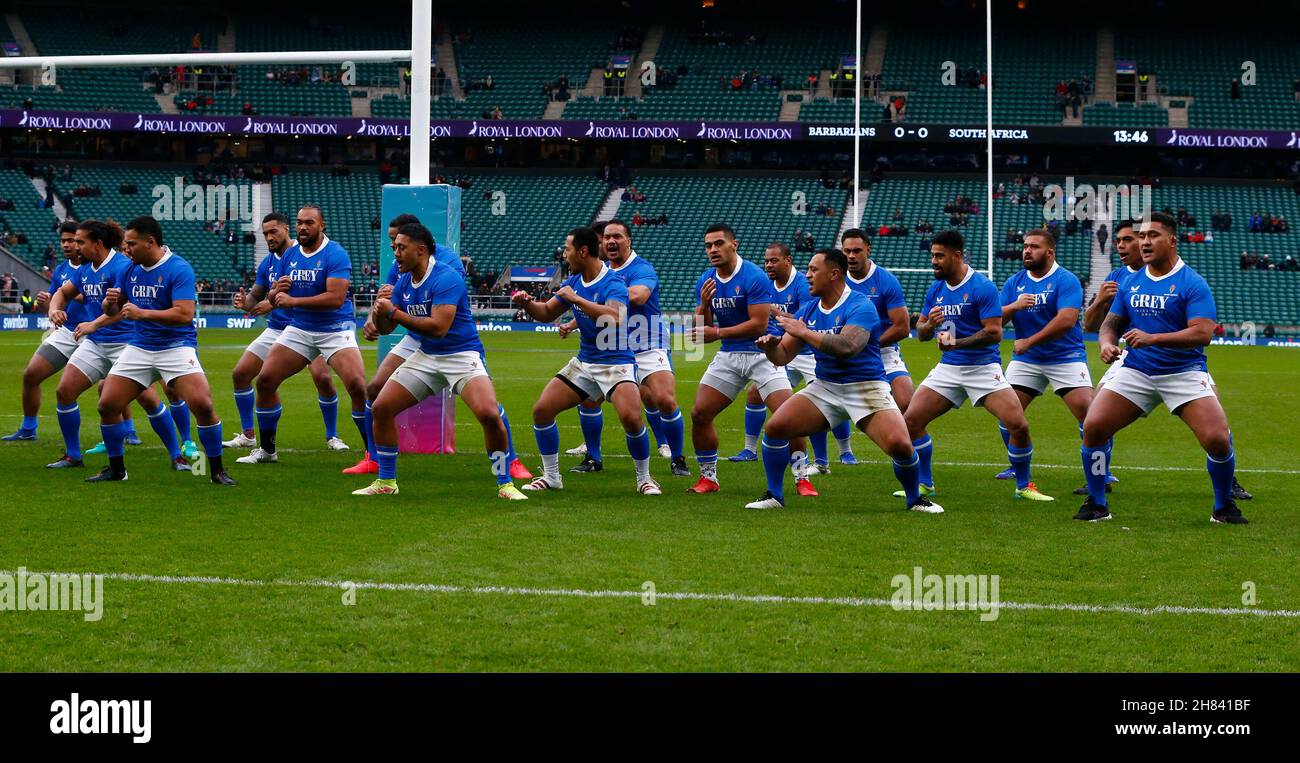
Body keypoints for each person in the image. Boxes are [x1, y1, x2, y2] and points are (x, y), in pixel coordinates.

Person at [1078, 212, 1246, 524]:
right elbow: (1109, 324)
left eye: (1152, 235)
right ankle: (1097, 502)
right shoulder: (1131, 281)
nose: (1144, 242)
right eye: (1141, 236)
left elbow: (1202, 333)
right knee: (1094, 427)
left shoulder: (1192, 283)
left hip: (1183, 371)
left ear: (1172, 240)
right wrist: (1106, 344)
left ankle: (1223, 507)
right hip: (1137, 370)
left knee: (1218, 439)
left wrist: (1154, 337)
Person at [749, 249, 941, 513]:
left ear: (834, 274)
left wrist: (805, 332)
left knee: (900, 445)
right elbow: (782, 356)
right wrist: (770, 347)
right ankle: (774, 495)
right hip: (825, 386)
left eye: (814, 270)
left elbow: (849, 345)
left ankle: (915, 499)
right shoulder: (810, 309)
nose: (807, 275)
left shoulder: (861, 305)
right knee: (775, 428)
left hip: (866, 385)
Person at [348, 214, 530, 479]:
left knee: (487, 409)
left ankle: (509, 464)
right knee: (376, 392)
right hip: (421, 340)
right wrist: (376, 315)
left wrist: (394, 313)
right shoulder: (402, 270)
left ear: (418, 244)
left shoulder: (447, 267)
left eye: (398, 244)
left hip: (453, 341)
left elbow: (438, 323)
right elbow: (388, 306)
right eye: (392, 244)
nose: (393, 250)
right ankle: (377, 462)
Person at [902, 230, 1054, 503]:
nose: (933, 261)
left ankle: (1023, 485)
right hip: (948, 368)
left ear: (957, 256)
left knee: (1017, 425)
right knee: (911, 421)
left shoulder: (982, 287)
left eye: (939, 255)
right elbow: (921, 333)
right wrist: (929, 325)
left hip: (983, 368)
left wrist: (956, 343)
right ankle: (925, 483)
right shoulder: (935, 289)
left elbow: (994, 332)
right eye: (932, 255)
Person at [85, 216, 235, 485]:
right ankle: (117, 470)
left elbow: (184, 314)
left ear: (150, 242)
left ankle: (216, 471)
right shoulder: (130, 269)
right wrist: (109, 305)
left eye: (131, 244)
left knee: (202, 405)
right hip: (140, 347)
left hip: (176, 347)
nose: (126, 249)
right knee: (107, 405)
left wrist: (142, 313)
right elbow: (116, 309)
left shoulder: (179, 269)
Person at [511, 227, 661, 495]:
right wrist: (527, 304)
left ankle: (644, 479)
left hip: (616, 362)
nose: (564, 254)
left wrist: (575, 298)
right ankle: (551, 476)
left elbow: (615, 316)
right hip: (585, 362)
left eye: (567, 249)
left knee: (631, 419)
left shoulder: (612, 282)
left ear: (582, 251)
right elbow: (546, 313)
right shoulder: (576, 281)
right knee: (542, 410)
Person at [686, 223, 813, 496]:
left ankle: (802, 477)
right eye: (708, 245)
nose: (712, 250)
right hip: (729, 355)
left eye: (718, 243)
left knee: (789, 417)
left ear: (734, 244)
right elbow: (703, 328)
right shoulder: (706, 280)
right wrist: (704, 304)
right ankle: (709, 478)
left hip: (762, 353)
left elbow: (758, 324)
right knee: (700, 413)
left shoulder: (754, 275)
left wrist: (717, 332)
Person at [44, 220, 182, 471]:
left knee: (149, 401)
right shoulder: (85, 269)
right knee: (64, 391)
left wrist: (94, 324)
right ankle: (73, 455)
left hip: (126, 342)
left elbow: (124, 310)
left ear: (97, 243)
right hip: (96, 343)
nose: (75, 247)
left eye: (80, 242)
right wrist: (54, 309)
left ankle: (176, 455)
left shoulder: (122, 266)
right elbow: (62, 293)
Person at [237, 205, 369, 465]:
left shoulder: (335, 254)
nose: (302, 227)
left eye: (309, 222)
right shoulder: (291, 255)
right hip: (300, 328)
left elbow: (335, 298)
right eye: (299, 223)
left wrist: (292, 301)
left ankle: (372, 453)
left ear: (322, 225)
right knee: (264, 381)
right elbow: (276, 295)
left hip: (335, 328)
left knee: (356, 386)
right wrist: (276, 294)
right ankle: (267, 450)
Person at [561, 220, 689, 477]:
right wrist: (574, 322)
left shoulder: (642, 268)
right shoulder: (601, 271)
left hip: (647, 343)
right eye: (606, 237)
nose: (611, 241)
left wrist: (605, 295)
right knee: (587, 400)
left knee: (663, 399)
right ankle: (593, 457)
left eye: (617, 236)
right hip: (612, 345)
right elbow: (597, 304)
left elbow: (639, 296)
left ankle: (678, 458)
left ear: (629, 241)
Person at [730, 242, 857, 475]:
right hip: (783, 348)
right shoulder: (765, 284)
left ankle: (843, 452)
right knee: (754, 392)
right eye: (766, 261)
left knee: (822, 400)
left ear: (788, 261)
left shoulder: (802, 283)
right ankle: (749, 449)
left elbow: (806, 318)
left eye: (774, 260)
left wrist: (774, 312)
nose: (769, 265)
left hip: (808, 351)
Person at [990, 229, 1093, 483]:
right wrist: (1014, 306)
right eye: (1025, 246)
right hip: (1027, 360)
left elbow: (1067, 320)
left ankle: (1101, 470)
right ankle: (1017, 466)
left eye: (1034, 246)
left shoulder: (1066, 280)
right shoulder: (1015, 282)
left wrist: (1029, 341)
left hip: (1065, 356)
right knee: (1008, 413)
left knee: (1090, 415)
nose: (1027, 250)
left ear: (1049, 252)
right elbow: (997, 318)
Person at [4, 222, 84, 442]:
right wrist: (46, 303)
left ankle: (128, 429)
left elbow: (100, 299)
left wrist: (70, 294)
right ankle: (29, 428)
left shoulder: (94, 266)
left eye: (71, 240)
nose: (66, 245)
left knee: (117, 387)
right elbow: (53, 307)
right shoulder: (61, 270)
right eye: (63, 241)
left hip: (97, 334)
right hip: (67, 332)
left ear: (81, 241)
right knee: (31, 375)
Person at [842, 228, 915, 415]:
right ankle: (843, 446)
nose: (851, 256)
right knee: (822, 408)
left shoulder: (886, 280)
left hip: (883, 352)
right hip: (843, 353)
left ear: (868, 249)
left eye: (857, 251)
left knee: (907, 405)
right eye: (847, 251)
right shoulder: (837, 280)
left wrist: (867, 345)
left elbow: (902, 327)